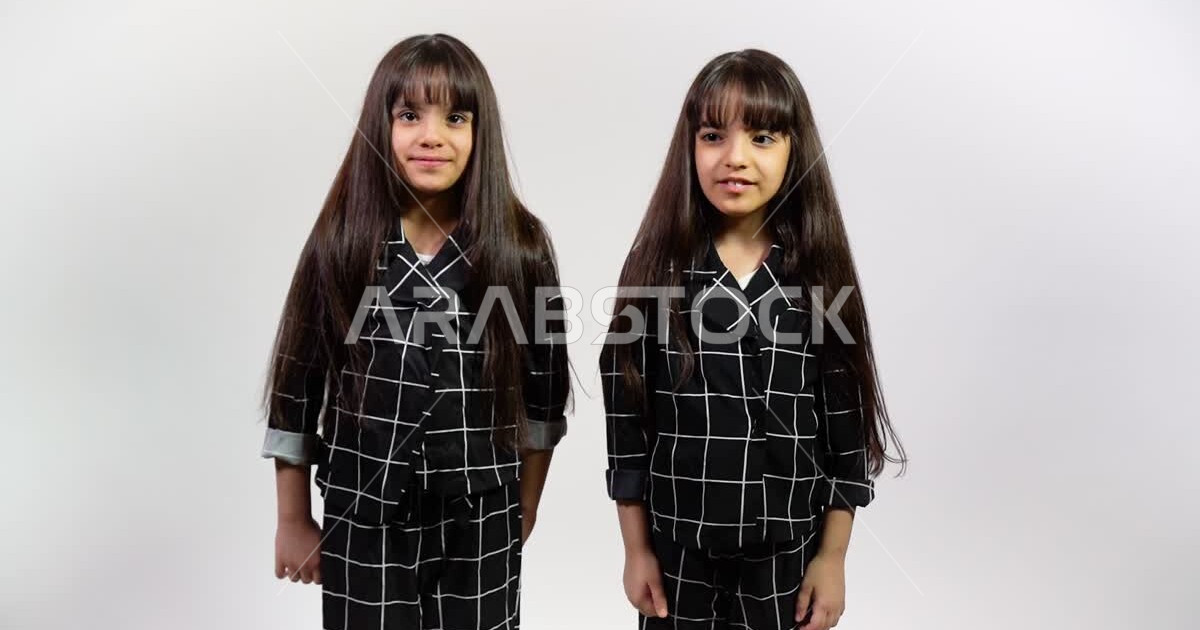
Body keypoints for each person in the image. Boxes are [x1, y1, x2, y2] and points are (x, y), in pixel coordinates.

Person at [261, 33, 570, 630]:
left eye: (455, 117)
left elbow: (543, 394)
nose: (432, 136)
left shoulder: (520, 248)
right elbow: (298, 384)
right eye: (410, 116)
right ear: (383, 125)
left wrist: (523, 507)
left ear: (480, 132)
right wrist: (293, 518)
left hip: (481, 511)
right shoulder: (343, 242)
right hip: (364, 511)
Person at [600, 49, 906, 630]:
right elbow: (628, 430)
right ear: (690, 147)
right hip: (677, 550)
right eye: (714, 135)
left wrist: (832, 557)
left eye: (762, 137)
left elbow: (844, 436)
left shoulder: (818, 279)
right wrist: (636, 549)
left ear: (794, 149)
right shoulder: (657, 274)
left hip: (785, 554)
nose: (735, 158)